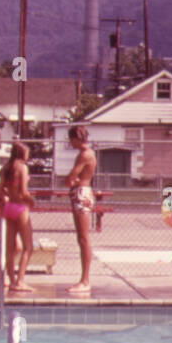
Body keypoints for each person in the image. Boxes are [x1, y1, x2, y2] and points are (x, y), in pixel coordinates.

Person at [0, 142, 35, 294]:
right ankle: (20, 281)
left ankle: (11, 280)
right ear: (22, 154)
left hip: (8, 207)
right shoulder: (22, 168)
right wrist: (32, 201)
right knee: (28, 246)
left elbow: (0, 191)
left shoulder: (6, 168)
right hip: (20, 207)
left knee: (10, 248)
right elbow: (24, 191)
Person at [64, 125, 97, 295]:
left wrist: (71, 180)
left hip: (81, 193)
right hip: (82, 192)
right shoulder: (89, 153)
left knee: (83, 238)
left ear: (76, 138)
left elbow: (71, 177)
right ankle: (84, 279)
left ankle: (85, 280)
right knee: (81, 238)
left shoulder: (84, 155)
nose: (70, 143)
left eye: (71, 140)